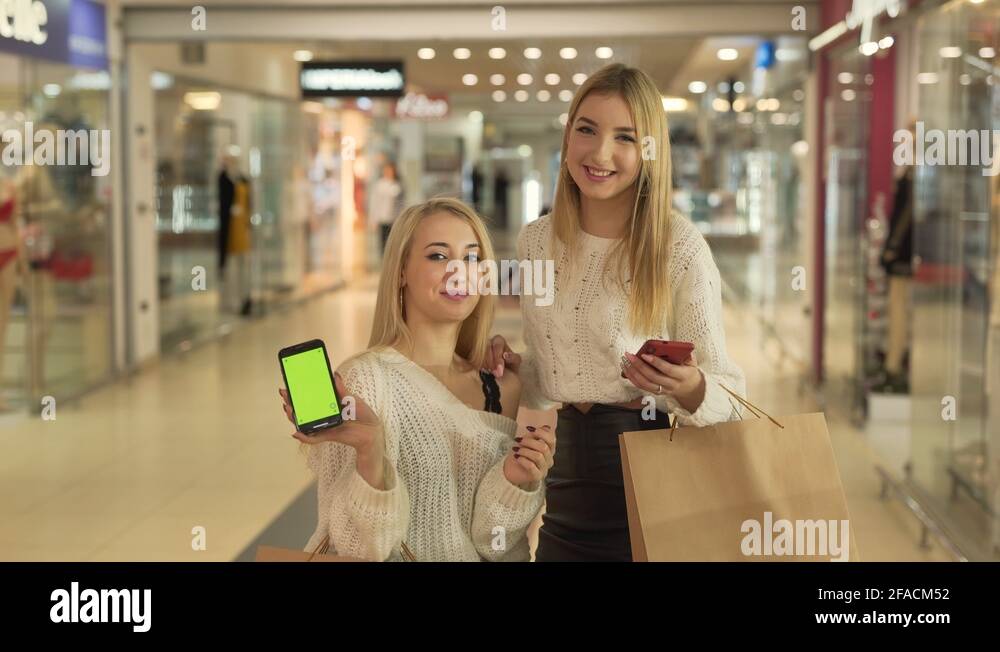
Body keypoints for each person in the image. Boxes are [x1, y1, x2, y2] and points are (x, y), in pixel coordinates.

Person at [484, 63, 746, 561]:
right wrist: (519, 367)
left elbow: (732, 398)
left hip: (654, 478)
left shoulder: (678, 246)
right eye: (587, 129)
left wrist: (687, 385)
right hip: (565, 482)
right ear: (567, 137)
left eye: (624, 137)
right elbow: (560, 372)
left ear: (649, 151)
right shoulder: (537, 240)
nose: (599, 153)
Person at [280, 197, 554, 561]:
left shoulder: (500, 386)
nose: (459, 272)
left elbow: (494, 543)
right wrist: (370, 453)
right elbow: (357, 548)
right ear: (401, 272)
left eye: (472, 258)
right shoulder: (364, 381)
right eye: (438, 256)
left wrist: (519, 481)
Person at [370, 162, 403, 256]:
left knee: (393, 241)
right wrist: (374, 218)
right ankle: (383, 259)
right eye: (387, 171)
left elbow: (401, 203)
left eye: (391, 171)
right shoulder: (380, 185)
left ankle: (391, 258)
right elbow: (375, 203)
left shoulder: (398, 185)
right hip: (382, 218)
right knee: (382, 241)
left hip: (394, 218)